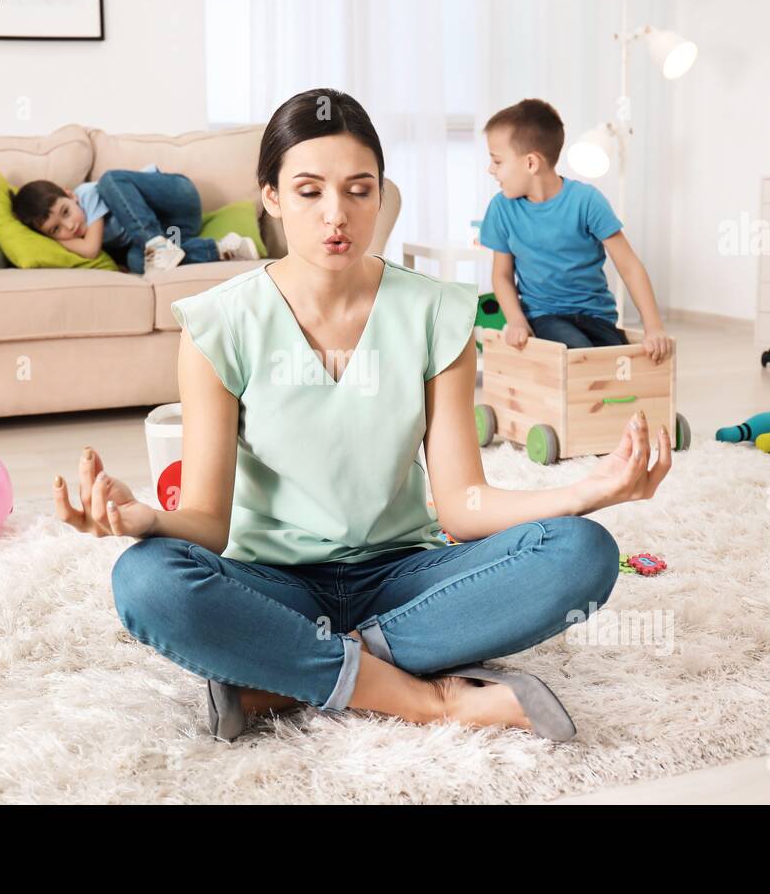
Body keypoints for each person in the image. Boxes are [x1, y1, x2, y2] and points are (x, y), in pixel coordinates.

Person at [52, 88, 672, 742]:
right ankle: (426, 699)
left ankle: (280, 674)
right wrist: (146, 518)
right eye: (309, 191)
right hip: (274, 582)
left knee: (582, 553)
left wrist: (586, 491)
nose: (336, 215)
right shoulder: (220, 323)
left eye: (358, 189)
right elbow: (207, 524)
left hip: (405, 577)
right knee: (146, 580)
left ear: (380, 195)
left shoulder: (437, 312)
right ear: (271, 198)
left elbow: (462, 506)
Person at [481, 98, 672, 363]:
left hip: (597, 316)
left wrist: (653, 327)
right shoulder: (501, 209)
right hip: (546, 317)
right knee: (580, 356)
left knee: (620, 361)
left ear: (531, 163)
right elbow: (501, 275)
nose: (490, 169)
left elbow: (629, 265)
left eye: (497, 161)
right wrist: (516, 321)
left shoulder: (586, 201)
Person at [12, 167, 259, 273]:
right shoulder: (79, 225)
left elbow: (90, 249)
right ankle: (222, 249)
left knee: (110, 180)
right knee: (137, 261)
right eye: (56, 229)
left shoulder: (87, 196)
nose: (70, 226)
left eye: (65, 212)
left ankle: (156, 244)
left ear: (70, 195)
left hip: (176, 200)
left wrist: (57, 239)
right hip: (176, 231)